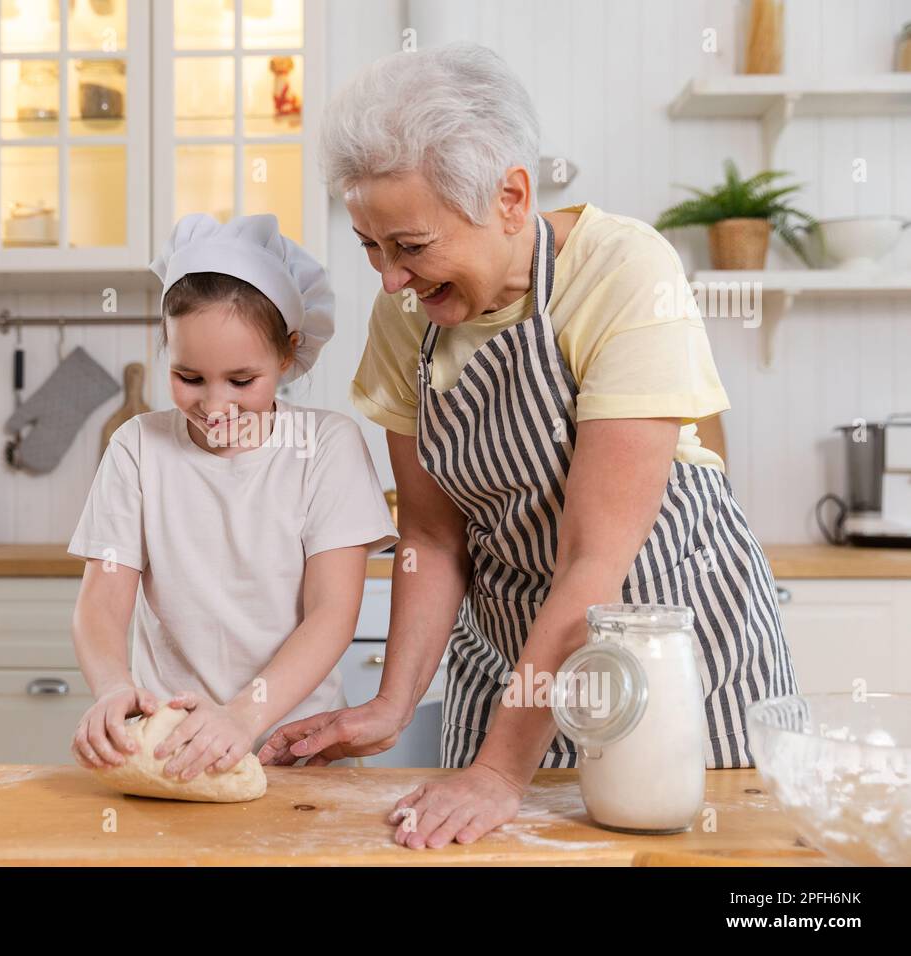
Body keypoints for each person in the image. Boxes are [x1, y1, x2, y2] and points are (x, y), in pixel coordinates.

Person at [259, 42, 797, 849]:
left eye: (410, 245)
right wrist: (394, 702)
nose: (390, 280)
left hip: (663, 658)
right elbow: (433, 537)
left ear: (511, 196)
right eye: (370, 245)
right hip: (507, 656)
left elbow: (593, 563)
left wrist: (500, 771)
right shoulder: (406, 318)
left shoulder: (622, 272)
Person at [68, 213, 398, 783]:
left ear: (288, 354)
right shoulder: (138, 446)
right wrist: (114, 689)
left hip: (296, 750)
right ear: (165, 349)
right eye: (188, 378)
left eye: (242, 381)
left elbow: (331, 612)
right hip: (172, 748)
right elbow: (101, 601)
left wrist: (243, 718)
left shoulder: (326, 446)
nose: (215, 404)